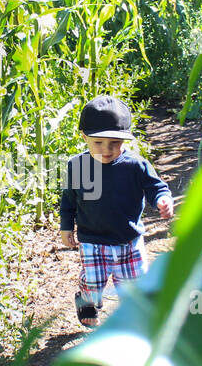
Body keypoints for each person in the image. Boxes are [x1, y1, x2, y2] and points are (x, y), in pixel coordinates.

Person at [59, 95, 175, 327]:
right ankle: (87, 301)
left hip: (129, 240)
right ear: (84, 137)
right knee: (93, 282)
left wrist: (163, 199)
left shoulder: (136, 165)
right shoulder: (78, 166)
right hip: (93, 239)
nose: (107, 149)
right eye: (98, 143)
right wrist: (65, 227)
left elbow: (156, 187)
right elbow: (69, 201)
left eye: (115, 143)